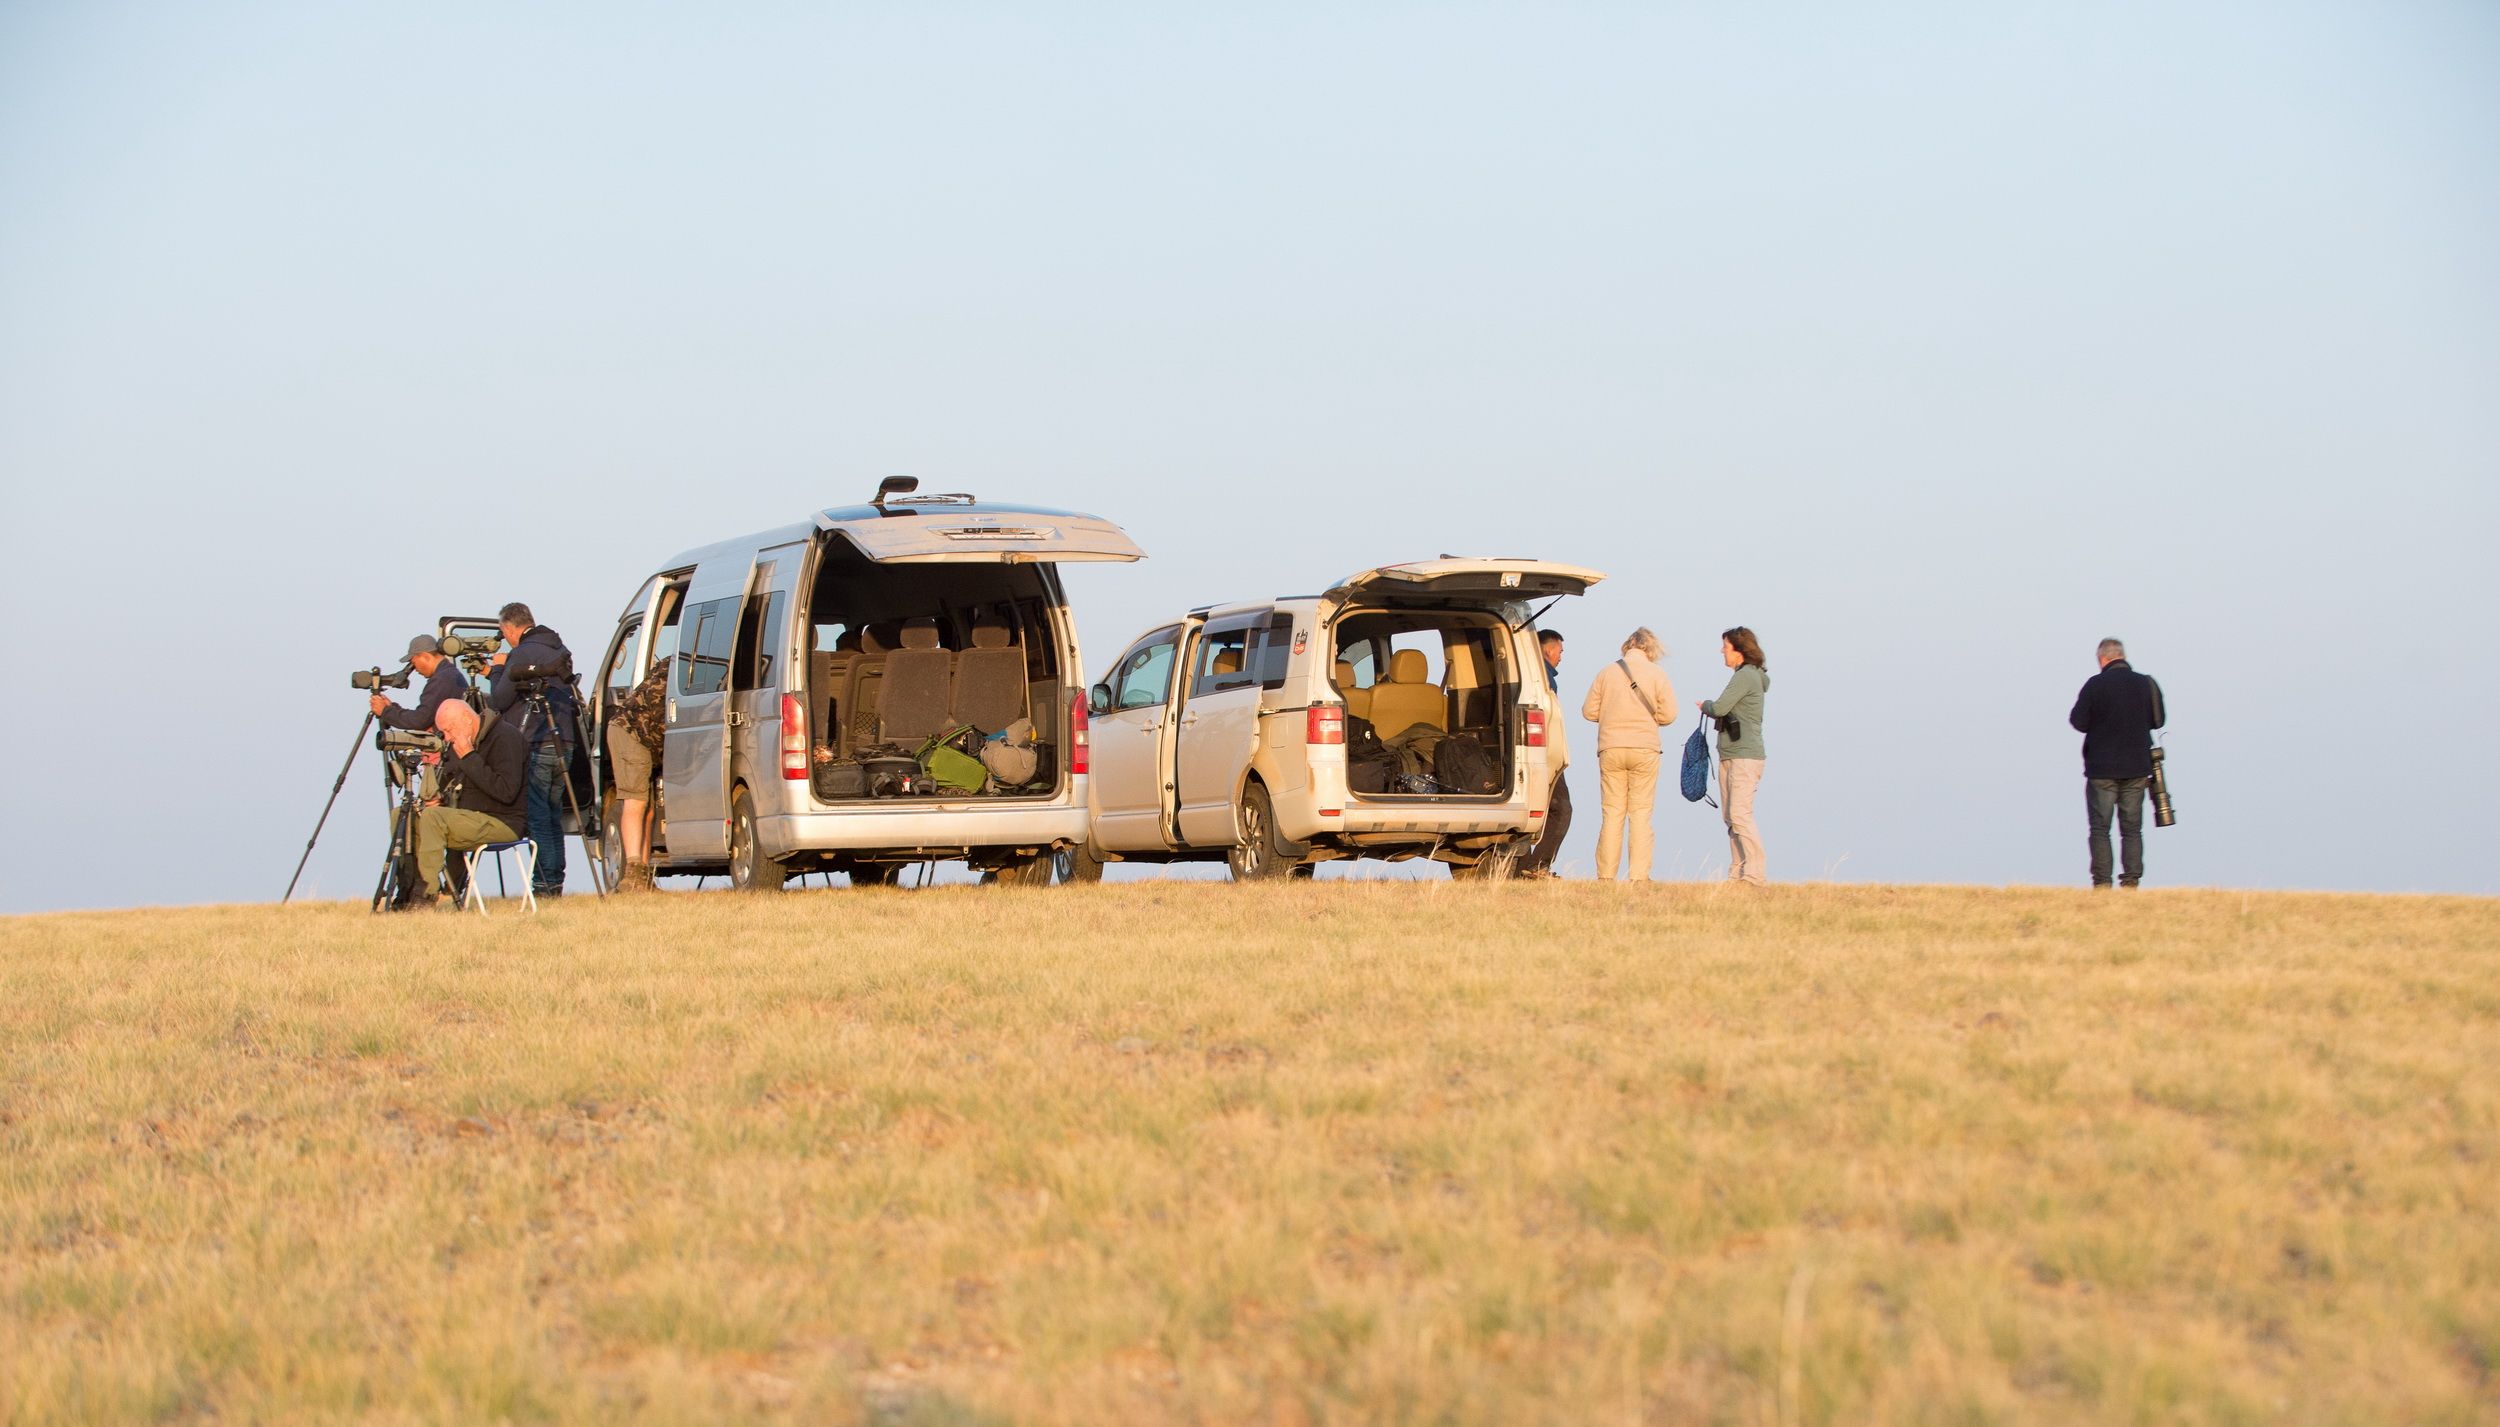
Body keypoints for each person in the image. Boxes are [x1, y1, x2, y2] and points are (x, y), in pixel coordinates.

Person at [487, 601, 576, 899]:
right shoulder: (557, 648)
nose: (505, 639)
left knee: (538, 816)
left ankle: (543, 885)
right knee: (553, 815)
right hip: (565, 740)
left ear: (511, 628)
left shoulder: (522, 654)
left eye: (504, 633)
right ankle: (555, 882)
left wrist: (497, 670)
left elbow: (499, 701)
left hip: (538, 740)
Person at [407, 700, 525, 910]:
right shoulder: (460, 743)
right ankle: (407, 892)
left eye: (449, 730)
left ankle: (426, 897)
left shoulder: (506, 738)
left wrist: (470, 757)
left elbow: (506, 792)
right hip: (468, 816)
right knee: (406, 817)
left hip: (503, 821)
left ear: (466, 719)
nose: (448, 737)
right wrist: (437, 800)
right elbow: (456, 784)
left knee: (433, 818)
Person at [2068, 637, 2166, 889]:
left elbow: (2078, 722)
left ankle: (2102, 883)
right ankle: (2131, 880)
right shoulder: (2146, 683)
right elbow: (2158, 720)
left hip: (2102, 770)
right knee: (2132, 828)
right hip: (2137, 768)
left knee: (2100, 828)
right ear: (2122, 656)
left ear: (2102, 659)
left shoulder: (2095, 685)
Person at [1581, 627, 1677, 882]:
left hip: (1611, 748)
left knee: (1612, 813)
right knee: (1641, 813)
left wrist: (1611, 716)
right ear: (1650, 649)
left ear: (1627, 646)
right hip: (1645, 749)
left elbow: (1589, 711)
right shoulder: (1658, 674)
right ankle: (1638, 875)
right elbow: (1669, 715)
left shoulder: (1607, 672)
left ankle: (1605, 875)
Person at [1698, 626, 1770, 886]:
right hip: (1733, 753)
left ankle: (1755, 873)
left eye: (1725, 647)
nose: (1722, 651)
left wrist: (1705, 706)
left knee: (1739, 815)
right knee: (1731, 816)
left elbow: (1719, 707)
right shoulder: (1747, 676)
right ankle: (1739, 873)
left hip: (1743, 756)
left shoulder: (1746, 677)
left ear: (1739, 651)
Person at [608, 656, 669, 891]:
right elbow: (660, 714)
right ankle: (633, 872)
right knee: (635, 802)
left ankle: (643, 875)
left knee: (649, 809)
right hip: (631, 734)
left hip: (646, 741)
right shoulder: (674, 670)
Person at [1521, 629, 1572, 878]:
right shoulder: (1543, 677)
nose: (1561, 656)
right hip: (1543, 755)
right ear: (1548, 649)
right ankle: (1537, 866)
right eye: (1560, 651)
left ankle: (1524, 867)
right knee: (1561, 809)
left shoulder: (1532, 671)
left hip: (1531, 754)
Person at [372, 634, 467, 731]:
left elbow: (420, 721)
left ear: (425, 656)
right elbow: (426, 718)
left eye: (413, 663)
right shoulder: (449, 674)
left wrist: (385, 711)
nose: (415, 669)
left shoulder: (441, 679)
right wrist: (391, 708)